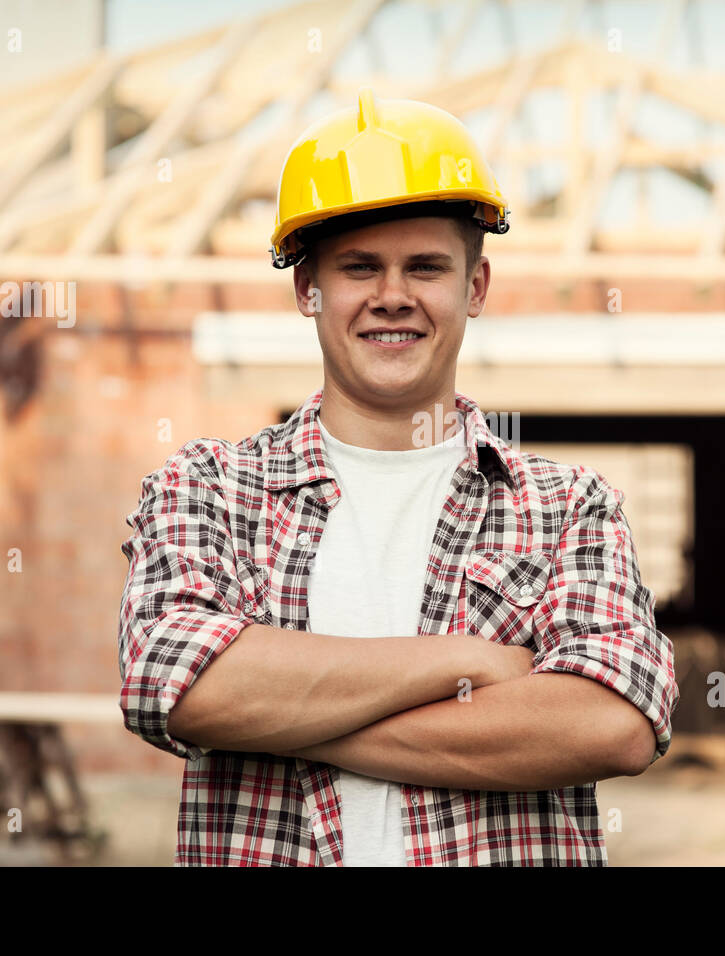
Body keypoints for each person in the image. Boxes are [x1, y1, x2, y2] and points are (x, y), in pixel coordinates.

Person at [117, 88, 678, 866]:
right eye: (359, 267)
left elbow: (612, 723)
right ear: (307, 289)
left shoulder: (566, 507)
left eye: (425, 267)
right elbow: (176, 682)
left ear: (474, 288)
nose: (392, 296)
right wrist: (463, 660)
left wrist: (286, 710)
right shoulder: (207, 489)